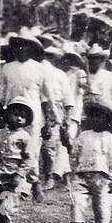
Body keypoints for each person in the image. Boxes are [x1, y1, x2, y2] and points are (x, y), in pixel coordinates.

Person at [0, 29, 54, 201]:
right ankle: (17, 183)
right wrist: (0, 115)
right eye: (18, 46)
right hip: (13, 114)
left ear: (31, 48)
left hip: (33, 116)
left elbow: (46, 97)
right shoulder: (6, 68)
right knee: (13, 150)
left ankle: (33, 184)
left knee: (32, 151)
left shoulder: (40, 69)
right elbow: (1, 95)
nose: (21, 49)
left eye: (25, 46)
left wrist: (49, 121)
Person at [68, 96, 112, 223]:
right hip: (82, 175)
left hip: (102, 178)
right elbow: (74, 153)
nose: (96, 119)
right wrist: (73, 170)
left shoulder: (111, 138)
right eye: (94, 116)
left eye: (100, 116)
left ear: (107, 120)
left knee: (102, 207)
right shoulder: (84, 135)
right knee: (77, 203)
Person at [0, 99, 35, 223]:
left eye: (22, 117)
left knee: (5, 207)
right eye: (15, 114)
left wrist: (19, 174)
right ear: (7, 114)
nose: (18, 119)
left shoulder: (24, 137)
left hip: (12, 177)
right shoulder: (0, 133)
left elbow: (29, 159)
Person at [39, 43, 76, 190]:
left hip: (56, 111)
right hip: (40, 109)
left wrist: (67, 118)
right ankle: (52, 177)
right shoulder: (39, 72)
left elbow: (68, 98)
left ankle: (55, 178)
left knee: (56, 147)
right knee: (46, 147)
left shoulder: (60, 75)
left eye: (50, 57)